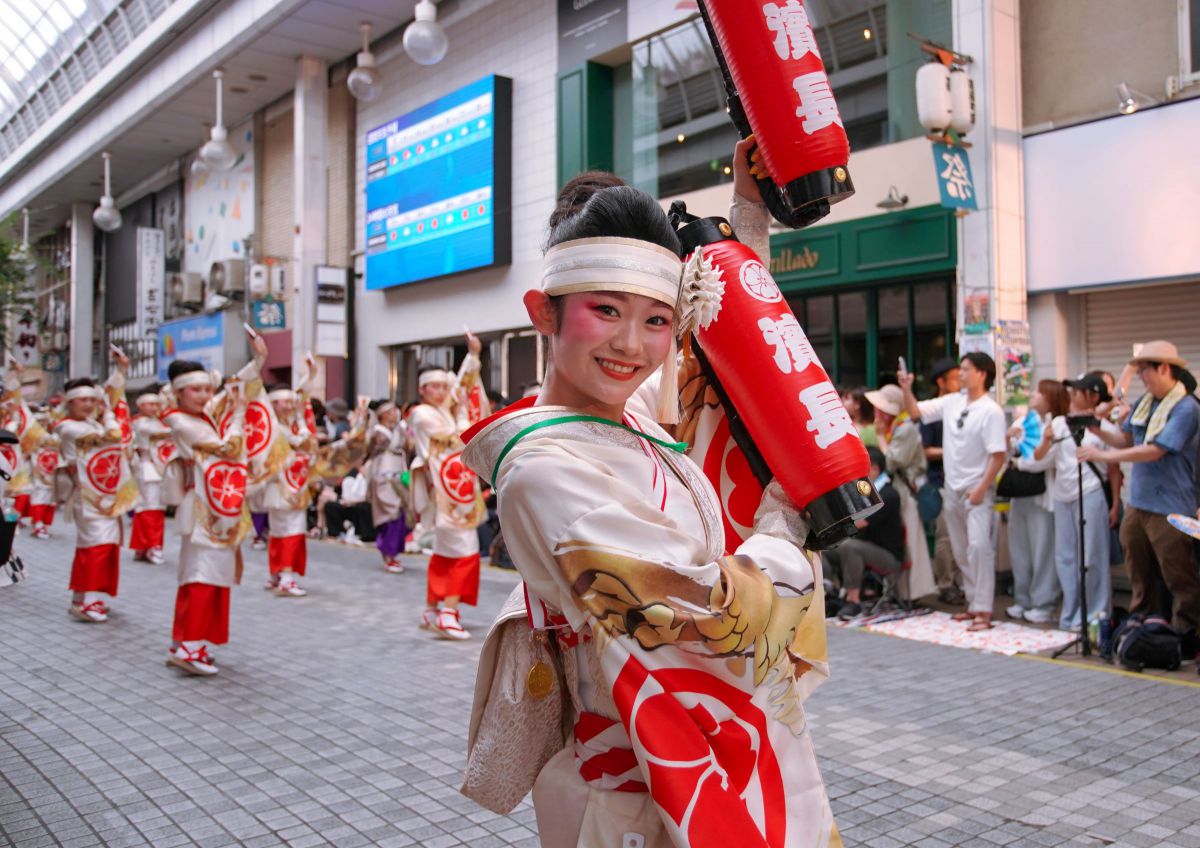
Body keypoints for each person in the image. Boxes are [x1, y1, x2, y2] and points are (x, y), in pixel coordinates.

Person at [460, 182, 838, 846]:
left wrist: (746, 218)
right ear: (542, 313)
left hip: (687, 758)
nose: (631, 345)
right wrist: (786, 529)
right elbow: (697, 618)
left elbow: (728, 387)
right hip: (632, 792)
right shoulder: (543, 471)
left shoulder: (632, 421)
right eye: (605, 310)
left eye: (657, 320)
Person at [161, 327, 267, 676]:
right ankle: (189, 646)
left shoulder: (204, 414)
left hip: (216, 502)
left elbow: (236, 388)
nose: (205, 395)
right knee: (202, 574)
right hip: (204, 506)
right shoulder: (179, 420)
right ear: (178, 392)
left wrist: (259, 360)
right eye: (197, 389)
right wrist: (237, 417)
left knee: (207, 573)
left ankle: (190, 642)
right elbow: (227, 448)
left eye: (208, 388)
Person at [1080, 341, 1200, 640]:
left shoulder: (1186, 408)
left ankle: (1187, 634)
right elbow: (1126, 439)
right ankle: (1142, 624)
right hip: (1140, 502)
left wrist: (1104, 457)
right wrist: (1096, 429)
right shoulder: (1146, 403)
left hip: (1172, 505)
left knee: (1178, 575)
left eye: (1144, 369)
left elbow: (1155, 450)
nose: (1141, 376)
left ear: (1164, 368)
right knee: (1137, 567)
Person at [900, 353, 1007, 631]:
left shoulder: (991, 410)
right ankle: (973, 604)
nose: (961, 374)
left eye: (967, 369)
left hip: (977, 490)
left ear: (982, 373)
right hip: (952, 488)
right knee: (961, 550)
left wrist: (982, 488)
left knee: (979, 547)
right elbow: (915, 412)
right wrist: (906, 387)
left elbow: (998, 455)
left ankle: (984, 609)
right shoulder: (952, 401)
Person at [408, 333, 490, 639]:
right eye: (434, 387)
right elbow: (458, 434)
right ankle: (448, 612)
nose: (442, 392)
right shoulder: (422, 415)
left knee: (444, 554)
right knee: (465, 553)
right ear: (422, 390)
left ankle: (432, 608)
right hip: (446, 496)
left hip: (455, 491)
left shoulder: (443, 410)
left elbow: (459, 395)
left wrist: (472, 356)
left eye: (444, 386)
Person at [54, 352, 139, 623]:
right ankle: (90, 600)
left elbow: (109, 397)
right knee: (99, 544)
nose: (90, 404)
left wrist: (120, 370)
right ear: (70, 402)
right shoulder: (68, 427)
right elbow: (113, 436)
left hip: (100, 494)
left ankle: (82, 597)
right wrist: (110, 413)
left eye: (92, 400)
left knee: (93, 544)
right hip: (88, 496)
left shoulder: (89, 423)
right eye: (84, 400)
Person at [1007, 380, 1068, 624]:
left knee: (1043, 550)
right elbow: (1010, 452)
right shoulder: (1023, 422)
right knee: (1019, 548)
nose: (1034, 395)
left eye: (1041, 392)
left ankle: (1044, 602)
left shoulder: (1057, 426)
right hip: (1019, 493)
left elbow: (1040, 461)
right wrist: (1009, 441)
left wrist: (1019, 462)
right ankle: (1022, 599)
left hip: (1043, 495)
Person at [868, 383, 935, 600]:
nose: (876, 412)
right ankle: (898, 592)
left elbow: (893, 460)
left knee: (910, 543)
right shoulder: (896, 427)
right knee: (901, 540)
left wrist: (879, 437)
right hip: (897, 491)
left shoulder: (905, 428)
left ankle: (912, 593)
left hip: (905, 493)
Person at [824, 447, 906, 618]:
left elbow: (859, 522)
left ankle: (853, 601)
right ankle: (830, 593)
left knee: (850, 547)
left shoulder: (888, 494)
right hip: (867, 547)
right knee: (826, 548)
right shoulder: (868, 490)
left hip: (889, 556)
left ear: (875, 469)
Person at [259, 378, 318, 598]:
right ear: (274, 404)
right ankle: (286, 577)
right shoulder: (276, 428)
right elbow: (302, 441)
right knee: (291, 529)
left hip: (286, 482)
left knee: (279, 529)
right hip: (285, 483)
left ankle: (276, 574)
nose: (290, 406)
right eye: (285, 402)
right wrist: (302, 419)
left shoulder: (271, 426)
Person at [921, 357, 964, 604]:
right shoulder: (933, 412)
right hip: (939, 482)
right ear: (941, 382)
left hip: (961, 482)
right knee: (945, 537)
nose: (960, 382)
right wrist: (954, 450)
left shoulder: (961, 407)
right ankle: (945, 583)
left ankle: (959, 582)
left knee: (961, 537)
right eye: (956, 378)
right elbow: (925, 450)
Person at [365, 399, 410, 573]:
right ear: (383, 415)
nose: (395, 413)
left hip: (399, 471)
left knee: (401, 513)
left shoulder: (398, 429)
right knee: (389, 513)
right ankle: (388, 554)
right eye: (391, 411)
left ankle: (392, 554)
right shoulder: (378, 431)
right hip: (383, 473)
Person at [129, 390, 174, 564]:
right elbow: (160, 433)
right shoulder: (139, 423)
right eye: (150, 404)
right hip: (147, 467)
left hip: (160, 468)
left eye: (157, 404)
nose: (155, 407)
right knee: (151, 508)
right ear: (140, 406)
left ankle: (142, 547)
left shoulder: (159, 422)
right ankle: (154, 546)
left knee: (150, 508)